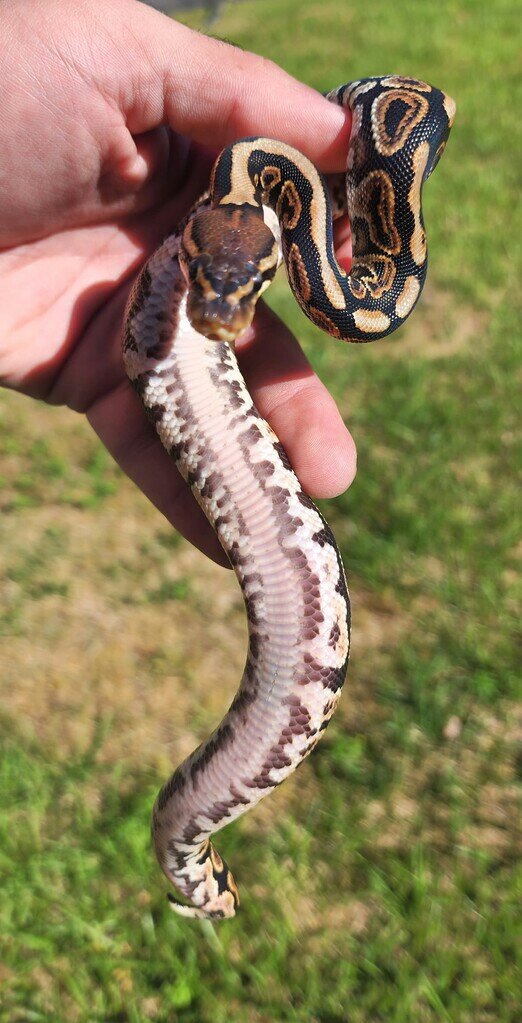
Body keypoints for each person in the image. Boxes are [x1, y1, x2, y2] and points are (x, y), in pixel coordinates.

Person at [0, 0, 356, 565]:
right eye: (204, 278)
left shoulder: (251, 198)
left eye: (251, 287)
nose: (222, 317)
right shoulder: (237, 198)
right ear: (191, 240)